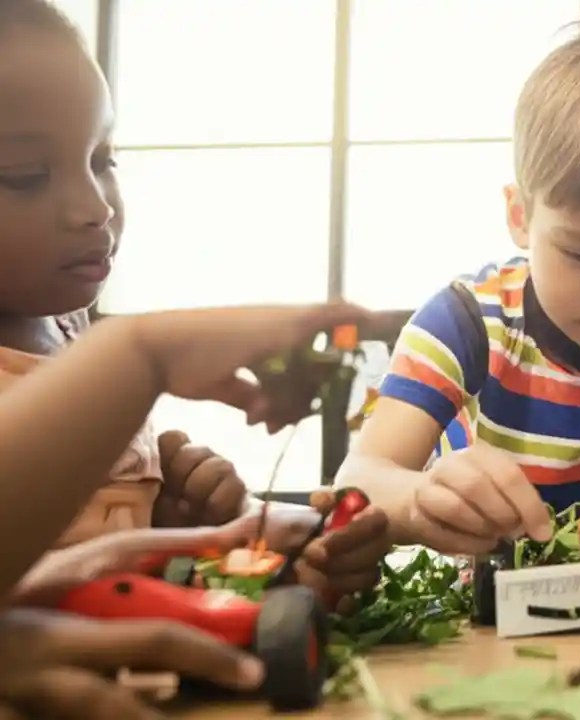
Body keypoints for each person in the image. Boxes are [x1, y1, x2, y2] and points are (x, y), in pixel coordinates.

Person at [0, 0, 388, 599]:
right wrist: (139, 357)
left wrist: (213, 521)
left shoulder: (72, 333)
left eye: (103, 160)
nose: (96, 207)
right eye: (26, 174)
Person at [338, 19, 580, 553]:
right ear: (520, 214)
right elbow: (358, 481)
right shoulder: (466, 322)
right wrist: (419, 498)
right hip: (467, 598)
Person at [0, 302, 376, 720]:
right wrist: (139, 355)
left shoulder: (70, 322)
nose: (97, 230)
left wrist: (218, 519)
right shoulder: (110, 351)